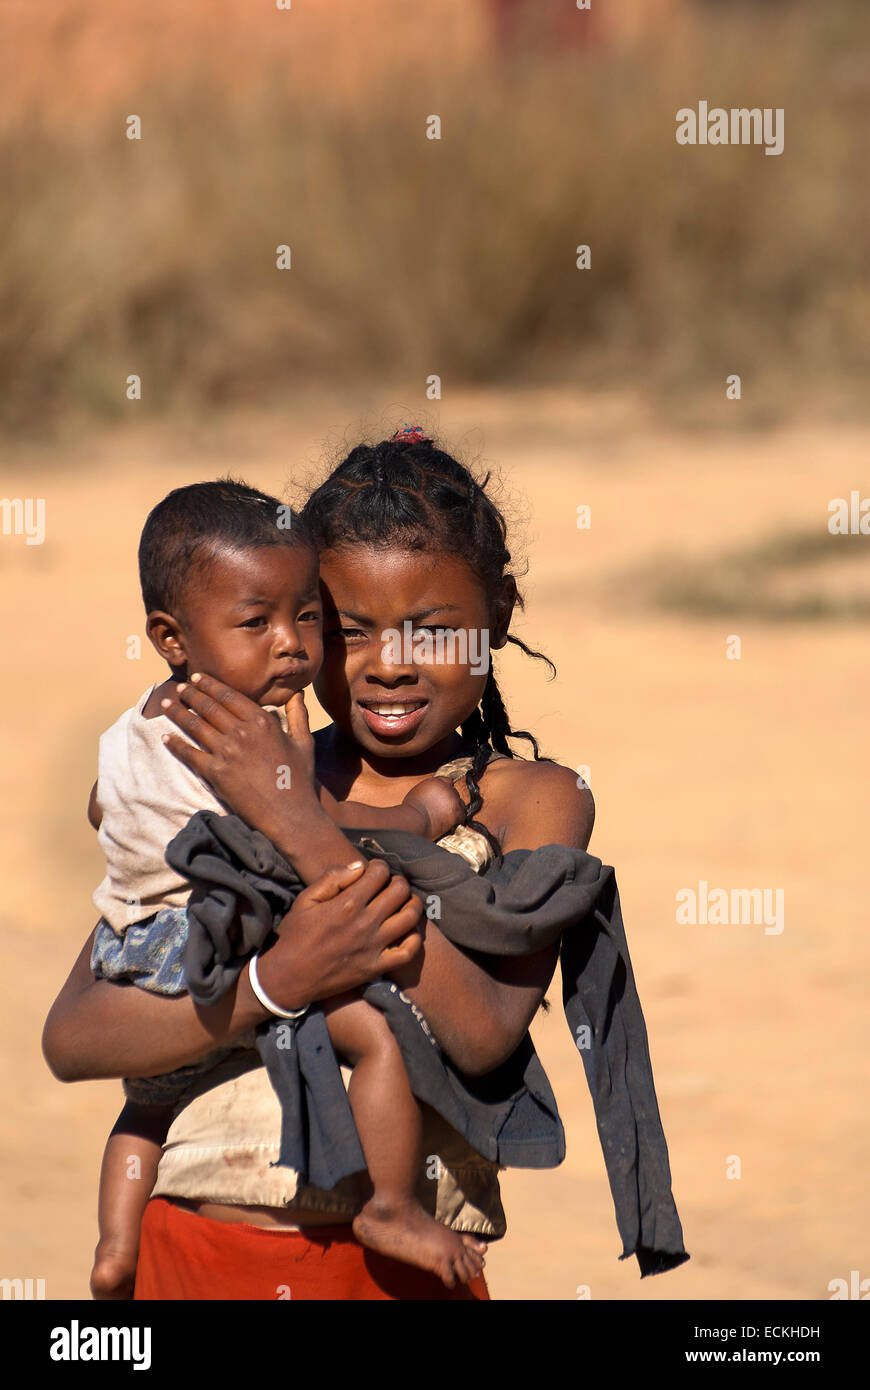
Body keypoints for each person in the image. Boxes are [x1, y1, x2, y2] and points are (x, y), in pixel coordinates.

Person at [44, 429, 599, 1301]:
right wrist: (274, 981)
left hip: (390, 1274)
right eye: (345, 628)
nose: (389, 664)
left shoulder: (524, 797)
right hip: (192, 1250)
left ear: (501, 614)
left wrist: (304, 826)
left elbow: (484, 1029)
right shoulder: (225, 761)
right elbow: (74, 1037)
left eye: (436, 631)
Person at [87, 474, 488, 1300]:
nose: (292, 646)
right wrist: (419, 811)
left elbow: (102, 807)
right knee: (373, 1035)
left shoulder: (138, 725)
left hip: (132, 950)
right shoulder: (242, 738)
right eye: (259, 622)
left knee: (145, 1112)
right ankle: (388, 1203)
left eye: (307, 619)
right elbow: (309, 835)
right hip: (222, 942)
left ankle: (113, 1244)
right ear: (171, 635)